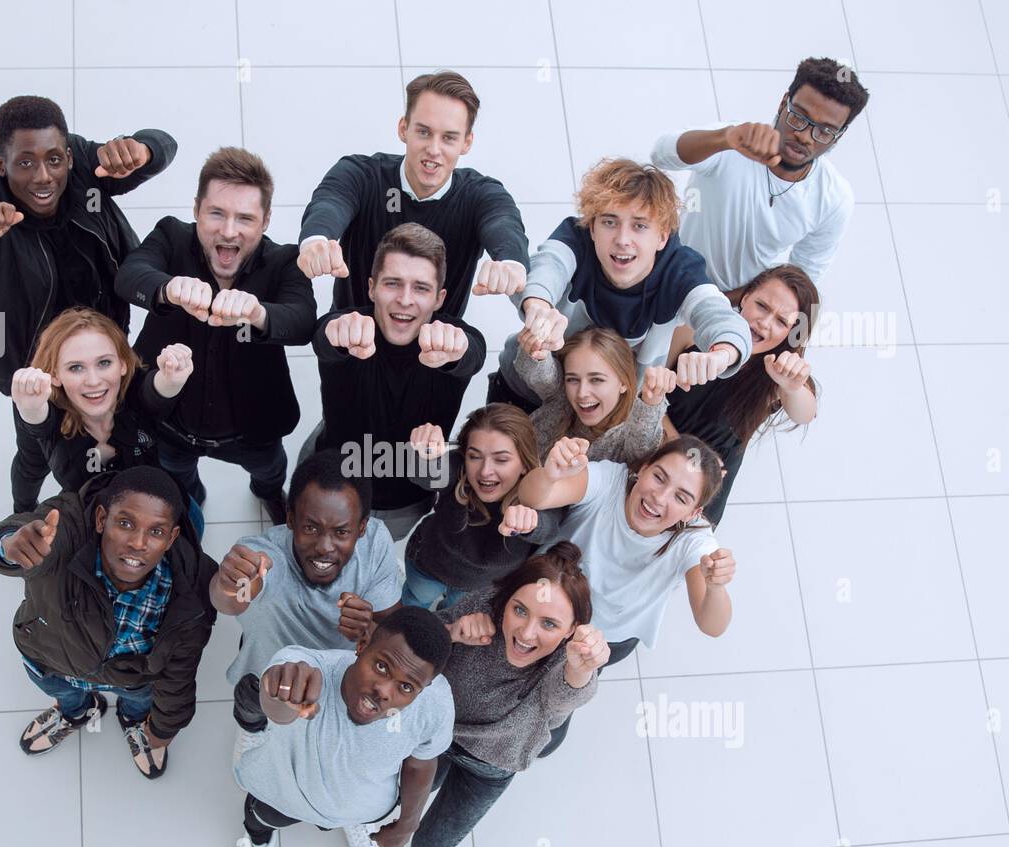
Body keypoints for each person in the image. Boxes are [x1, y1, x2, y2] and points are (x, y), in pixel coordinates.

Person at [0, 95, 177, 511]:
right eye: (25, 162)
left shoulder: (86, 163)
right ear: (2, 164)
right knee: (34, 452)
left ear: (68, 155)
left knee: (125, 420)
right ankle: (22, 510)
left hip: (97, 341)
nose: (43, 177)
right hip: (29, 357)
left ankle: (123, 487)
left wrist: (142, 149)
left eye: (54, 160)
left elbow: (165, 145)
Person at [404, 543, 609, 847]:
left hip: (491, 762)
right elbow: (416, 642)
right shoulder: (484, 604)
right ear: (506, 598)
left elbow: (565, 697)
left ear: (571, 631)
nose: (527, 633)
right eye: (520, 610)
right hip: (440, 733)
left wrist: (581, 668)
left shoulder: (566, 662)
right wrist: (450, 631)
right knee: (411, 793)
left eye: (549, 624)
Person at [115, 147, 317, 525]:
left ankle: (269, 493)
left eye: (245, 218)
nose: (228, 231)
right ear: (196, 210)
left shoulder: (284, 262)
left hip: (252, 429)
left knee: (270, 472)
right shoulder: (171, 236)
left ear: (266, 220)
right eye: (216, 213)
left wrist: (258, 313)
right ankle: (191, 498)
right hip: (171, 420)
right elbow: (129, 276)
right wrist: (167, 288)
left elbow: (304, 321)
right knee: (177, 473)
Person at [0, 466, 217, 780]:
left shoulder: (191, 590)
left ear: (171, 537)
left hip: (132, 682)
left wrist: (161, 730)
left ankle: (133, 722)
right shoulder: (65, 528)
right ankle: (76, 713)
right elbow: (21, 535)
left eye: (156, 532)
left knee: (137, 706)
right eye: (125, 523)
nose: (138, 543)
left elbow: (179, 676)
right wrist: (9, 545)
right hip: (51, 660)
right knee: (67, 698)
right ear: (102, 519)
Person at [224, 609, 455, 847]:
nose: (385, 691)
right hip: (283, 793)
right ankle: (255, 845)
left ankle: (354, 824)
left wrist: (408, 823)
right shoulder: (308, 668)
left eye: (406, 687)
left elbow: (421, 762)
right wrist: (280, 694)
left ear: (423, 690)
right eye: (382, 666)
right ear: (362, 645)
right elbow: (278, 706)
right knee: (260, 820)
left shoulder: (435, 705)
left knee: (360, 813)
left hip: (365, 805)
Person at [488, 158, 751, 414]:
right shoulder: (574, 239)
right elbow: (548, 267)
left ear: (662, 236)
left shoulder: (679, 271)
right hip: (522, 391)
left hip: (595, 416)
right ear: (592, 227)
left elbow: (719, 314)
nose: (623, 239)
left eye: (639, 226)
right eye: (609, 222)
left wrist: (722, 355)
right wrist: (540, 308)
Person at [297, 70, 529, 317]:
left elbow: (503, 222)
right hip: (350, 343)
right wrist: (316, 241)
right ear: (403, 128)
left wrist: (511, 262)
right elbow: (331, 203)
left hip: (437, 350)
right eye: (424, 132)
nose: (433, 149)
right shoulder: (362, 175)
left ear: (466, 143)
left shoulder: (479, 195)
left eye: (449, 138)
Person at [309, 223, 486, 540]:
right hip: (333, 476)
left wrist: (458, 349)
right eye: (393, 284)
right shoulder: (349, 327)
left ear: (439, 298)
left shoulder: (452, 341)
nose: (405, 300)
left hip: (405, 499)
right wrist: (334, 332)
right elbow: (324, 336)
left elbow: (473, 352)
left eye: (420, 288)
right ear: (372, 288)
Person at [650, 56, 870, 299]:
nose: (805, 136)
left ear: (838, 136)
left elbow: (802, 280)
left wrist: (729, 303)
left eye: (824, 131)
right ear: (783, 102)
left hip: (732, 308)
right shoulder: (735, 140)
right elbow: (661, 154)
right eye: (798, 117)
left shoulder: (834, 198)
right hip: (664, 280)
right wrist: (724, 139)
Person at [517, 434, 737, 652]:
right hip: (537, 605)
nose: (659, 498)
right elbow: (532, 498)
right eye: (659, 478)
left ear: (693, 513)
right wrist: (550, 475)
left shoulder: (694, 541)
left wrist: (715, 587)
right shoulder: (609, 480)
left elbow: (712, 627)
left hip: (602, 640)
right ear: (643, 469)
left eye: (681, 498)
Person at [211, 449, 403, 689]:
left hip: (338, 679)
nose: (324, 548)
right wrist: (227, 584)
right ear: (290, 519)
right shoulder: (263, 553)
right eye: (311, 528)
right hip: (268, 679)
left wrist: (370, 631)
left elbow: (392, 624)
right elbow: (230, 601)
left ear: (362, 528)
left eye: (341, 532)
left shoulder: (375, 540)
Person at [9, 307, 205, 539]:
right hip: (92, 521)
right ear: (55, 375)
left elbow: (157, 391)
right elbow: (37, 420)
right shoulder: (51, 412)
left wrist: (173, 378)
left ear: (122, 363)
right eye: (76, 367)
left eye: (104, 363)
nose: (93, 381)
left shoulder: (135, 391)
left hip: (160, 508)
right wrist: (29, 406)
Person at [665, 265, 820, 525]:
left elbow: (805, 413)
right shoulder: (690, 332)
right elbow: (646, 395)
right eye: (762, 306)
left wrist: (791, 386)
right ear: (745, 298)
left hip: (701, 494)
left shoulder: (775, 376)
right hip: (655, 454)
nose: (765, 322)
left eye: (782, 321)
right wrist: (677, 447)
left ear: (792, 333)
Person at [400, 403, 560, 611]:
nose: (485, 471)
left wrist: (531, 522)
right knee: (412, 608)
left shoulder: (539, 490)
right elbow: (428, 474)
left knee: (450, 617)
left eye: (501, 459)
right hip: (428, 567)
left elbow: (550, 527)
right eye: (474, 456)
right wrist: (425, 454)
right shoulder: (458, 468)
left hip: (478, 586)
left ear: (524, 463)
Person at [513, 325, 671, 463]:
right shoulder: (562, 398)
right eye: (573, 379)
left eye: (596, 380)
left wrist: (652, 400)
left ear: (623, 382)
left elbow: (642, 446)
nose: (582, 393)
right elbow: (542, 374)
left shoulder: (627, 436)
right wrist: (535, 348)